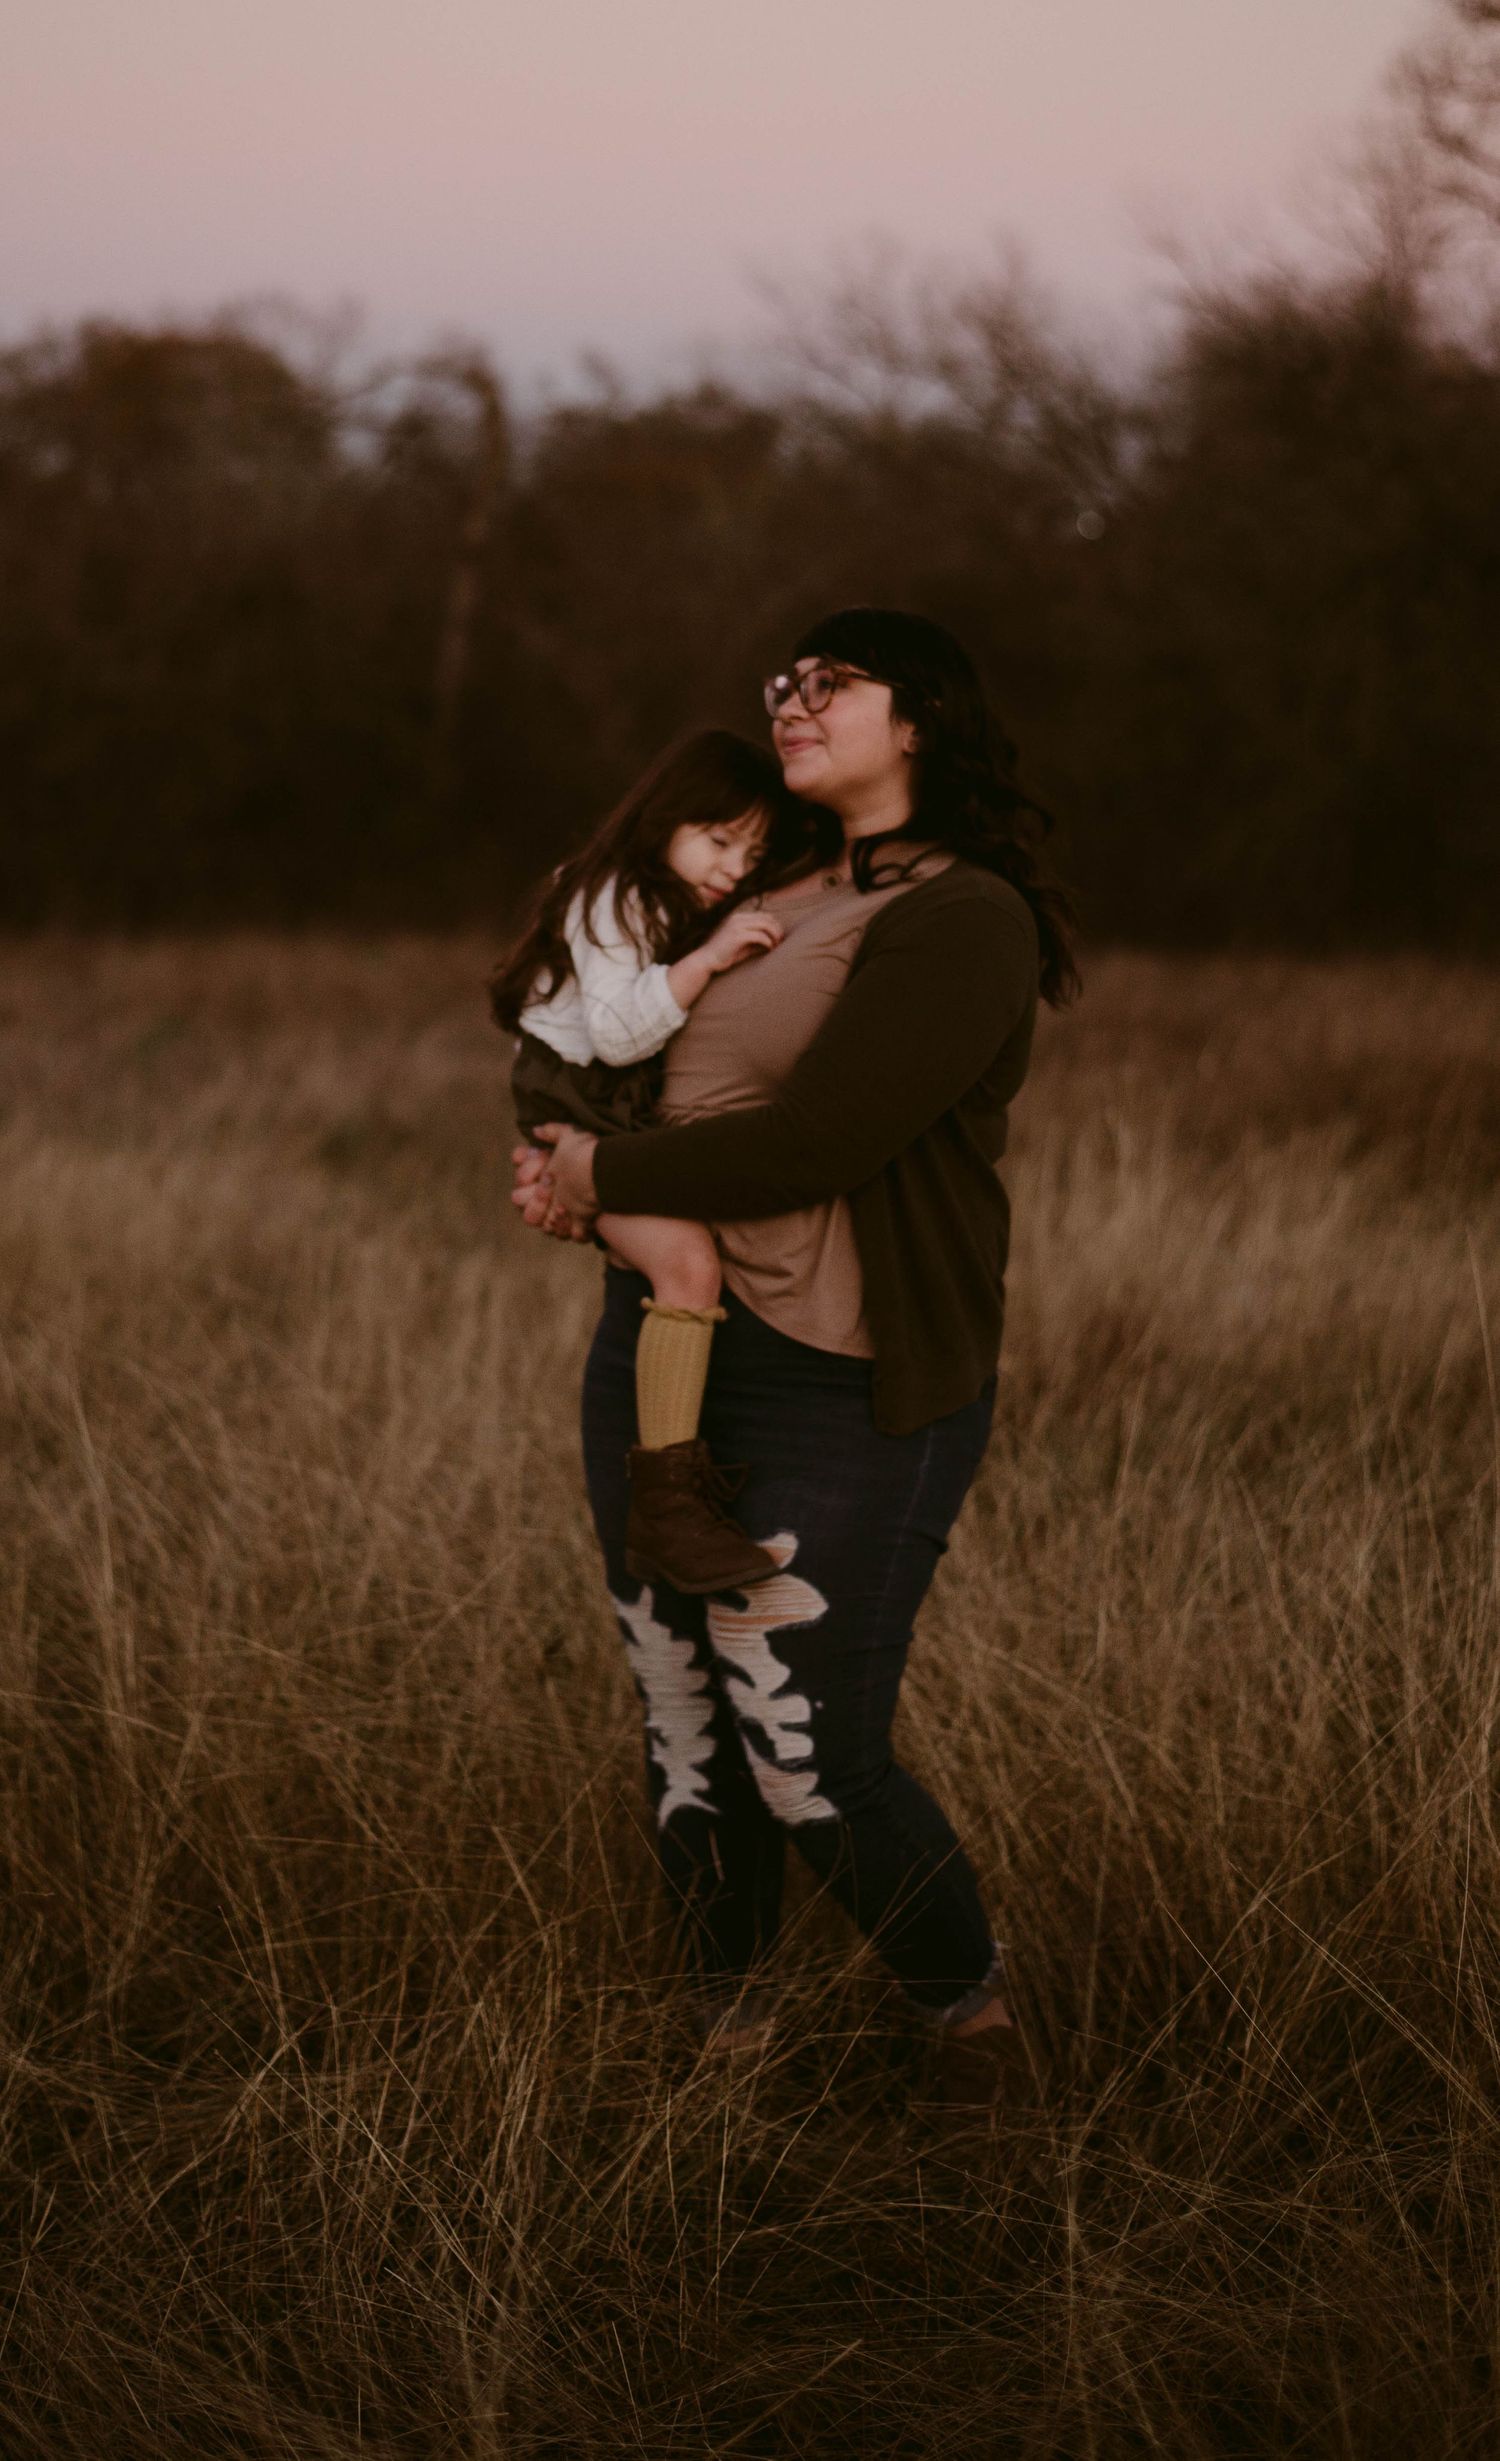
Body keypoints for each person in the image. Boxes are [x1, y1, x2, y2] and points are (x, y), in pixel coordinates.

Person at [512, 610, 1079, 2112]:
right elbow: (621, 1049)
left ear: (921, 719)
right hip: (668, 1340)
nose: (792, 700)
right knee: (687, 1717)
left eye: (835, 681)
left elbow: (824, 1137)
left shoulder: (967, 917)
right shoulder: (763, 881)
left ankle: (976, 2040)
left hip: (842, 1371)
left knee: (803, 1741)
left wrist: (600, 1172)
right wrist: (568, 1165)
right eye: (783, 680)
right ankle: (726, 2049)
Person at [491, 730, 792, 1595]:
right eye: (719, 839)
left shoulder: (664, 894)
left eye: (753, 854)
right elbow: (620, 1033)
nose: (733, 868)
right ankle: (666, 1508)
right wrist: (707, 960)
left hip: (602, 1097)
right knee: (688, 1264)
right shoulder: (614, 894)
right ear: (664, 817)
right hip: (584, 1091)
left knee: (682, 1249)